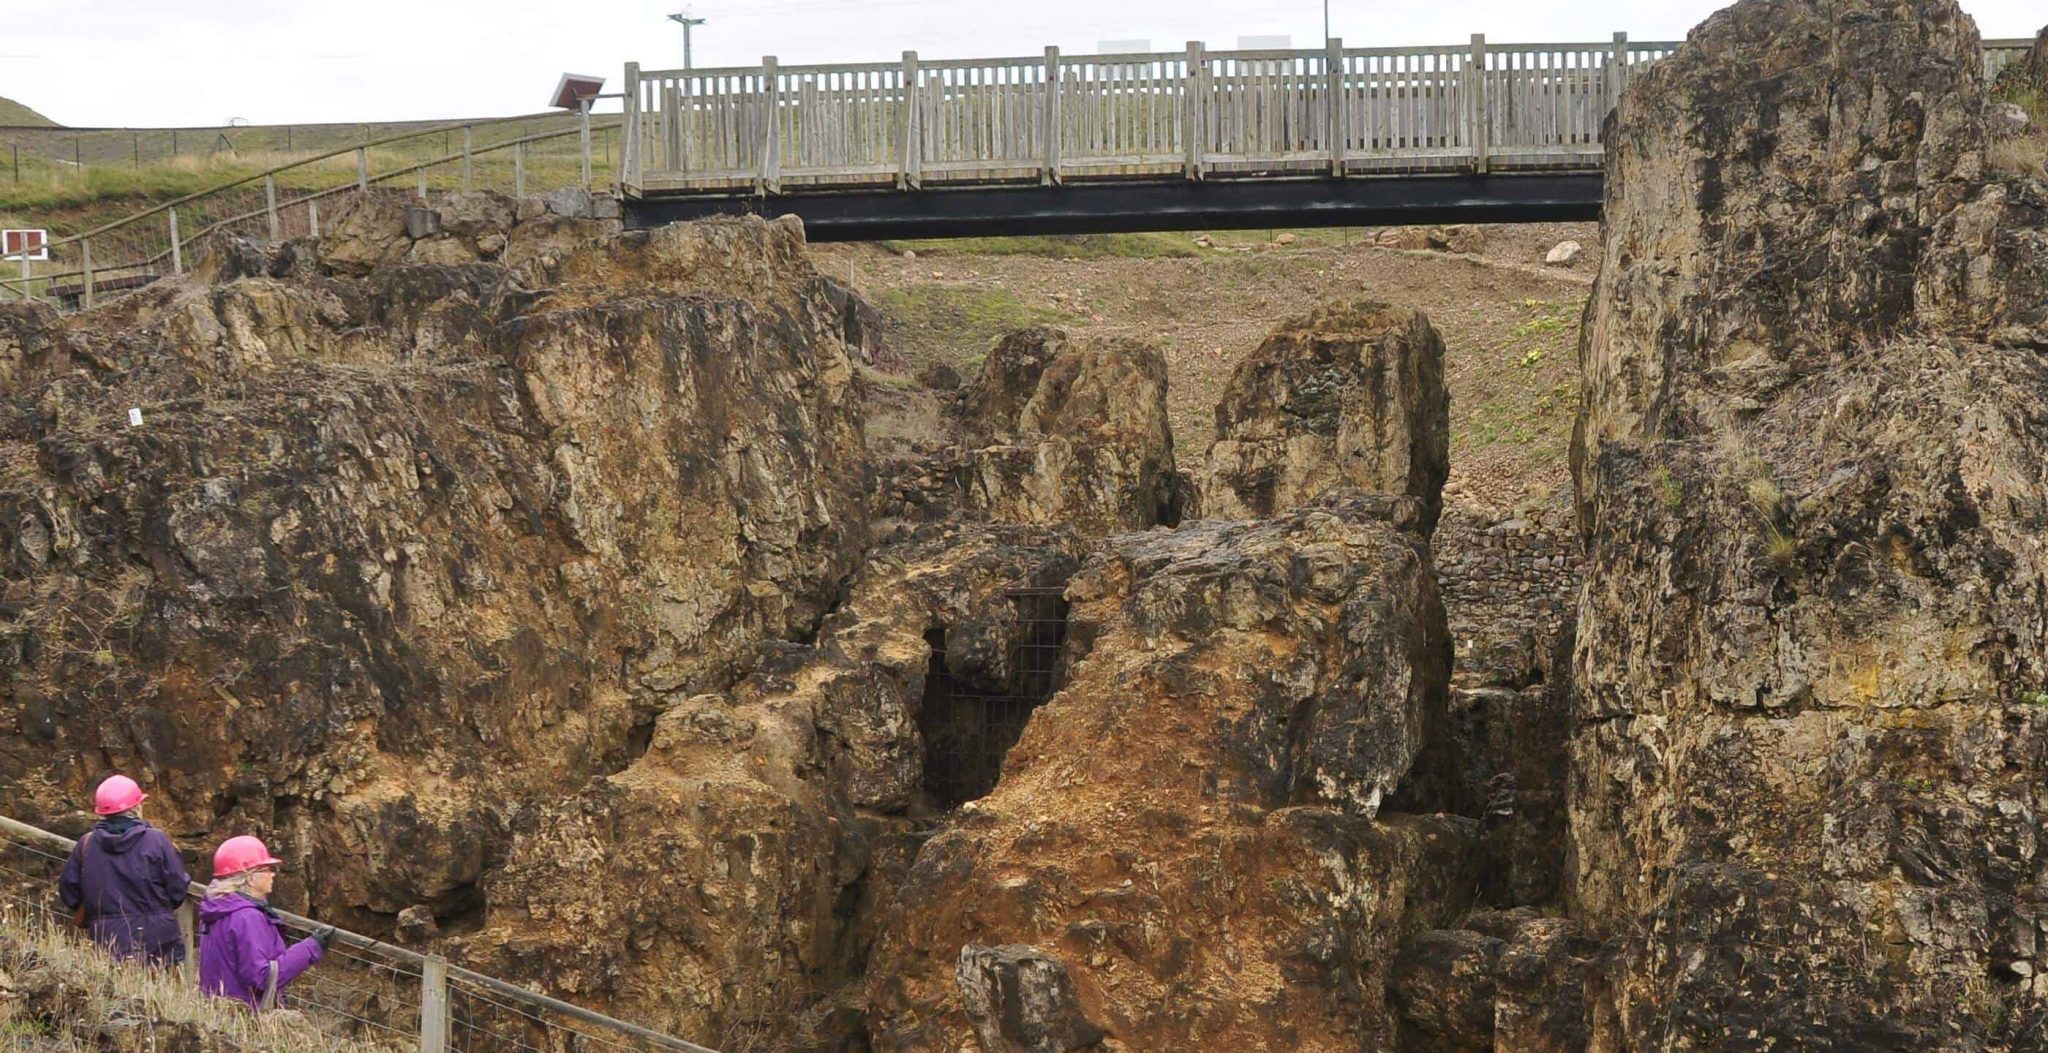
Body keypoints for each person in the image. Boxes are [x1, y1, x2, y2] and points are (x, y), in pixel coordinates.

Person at [57, 774, 191, 967]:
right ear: (136, 807)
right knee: (155, 994)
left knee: (113, 993)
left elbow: (69, 890)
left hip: (105, 938)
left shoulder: (86, 844)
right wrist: (157, 910)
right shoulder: (157, 840)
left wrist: (97, 913)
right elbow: (177, 887)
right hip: (157, 938)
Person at [197, 835, 333, 1010]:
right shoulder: (247, 918)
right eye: (267, 869)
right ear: (250, 878)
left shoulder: (218, 909)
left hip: (219, 1012)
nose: (273, 874)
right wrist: (312, 947)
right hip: (244, 1017)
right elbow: (261, 977)